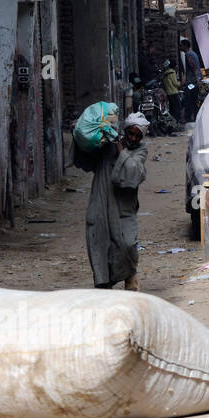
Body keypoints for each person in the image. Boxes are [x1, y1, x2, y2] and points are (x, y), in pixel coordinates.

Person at [75, 110, 149, 291]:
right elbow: (89, 159)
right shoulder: (107, 144)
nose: (132, 138)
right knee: (100, 241)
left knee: (127, 243)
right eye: (130, 133)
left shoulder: (141, 150)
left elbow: (133, 171)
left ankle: (130, 274)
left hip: (124, 204)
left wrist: (119, 148)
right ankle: (104, 282)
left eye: (137, 136)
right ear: (125, 130)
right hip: (101, 199)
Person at [179, 37, 203, 122]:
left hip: (192, 82)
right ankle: (194, 117)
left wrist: (198, 81)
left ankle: (189, 118)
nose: (180, 47)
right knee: (193, 100)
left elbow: (194, 68)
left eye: (181, 45)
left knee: (189, 99)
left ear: (185, 46)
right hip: (194, 81)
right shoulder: (192, 53)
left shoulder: (189, 55)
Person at [161, 58, 183, 125]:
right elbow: (175, 83)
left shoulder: (165, 73)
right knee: (177, 108)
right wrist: (181, 83)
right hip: (174, 92)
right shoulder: (172, 72)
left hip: (168, 93)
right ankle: (175, 123)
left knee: (172, 110)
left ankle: (172, 124)